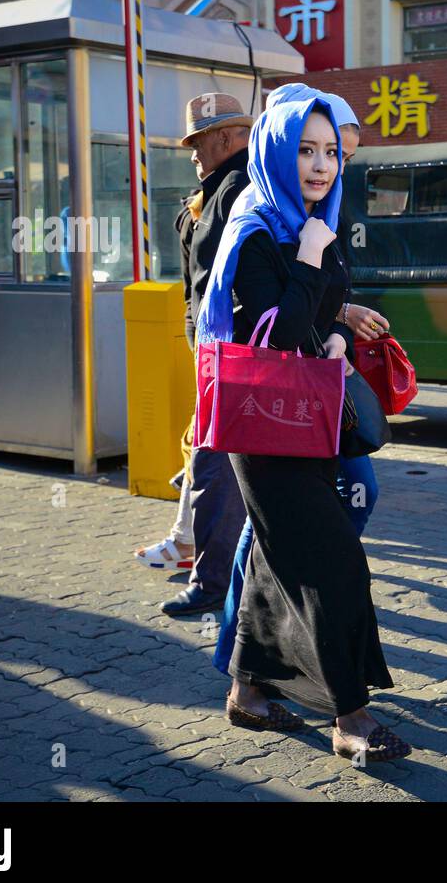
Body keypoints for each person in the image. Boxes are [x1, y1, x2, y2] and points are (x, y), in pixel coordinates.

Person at [196, 99, 408, 763]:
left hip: (309, 418)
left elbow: (323, 316)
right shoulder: (256, 227)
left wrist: (341, 337)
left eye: (330, 152)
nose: (320, 164)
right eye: (306, 150)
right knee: (337, 563)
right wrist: (312, 259)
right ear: (278, 151)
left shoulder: (313, 221)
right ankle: (351, 718)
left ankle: (249, 694)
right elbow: (274, 338)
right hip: (262, 428)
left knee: (270, 556)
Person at [148, 93, 256, 616]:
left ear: (226, 138)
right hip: (220, 356)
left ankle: (213, 581)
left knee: (215, 469)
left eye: (199, 140)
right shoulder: (216, 190)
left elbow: (220, 281)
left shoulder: (236, 188)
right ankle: (216, 569)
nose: (192, 151)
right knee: (214, 464)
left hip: (232, 357)